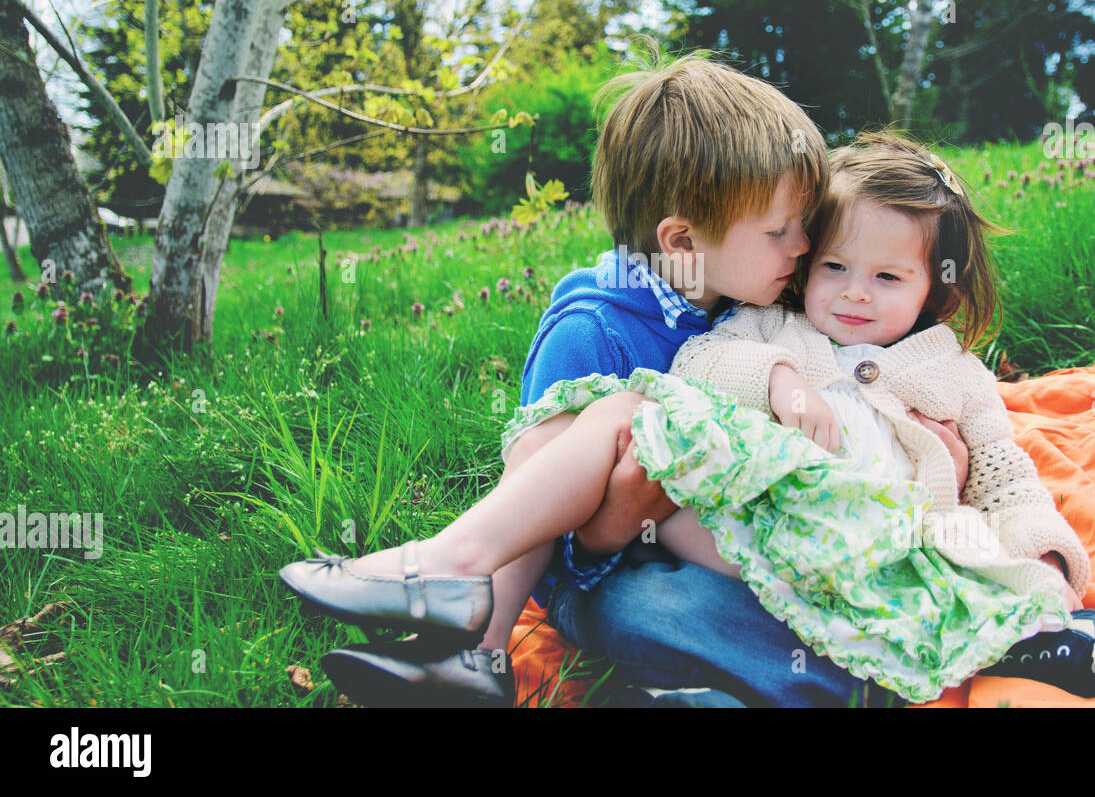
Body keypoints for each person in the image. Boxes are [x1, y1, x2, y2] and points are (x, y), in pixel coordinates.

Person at [278, 51, 880, 705]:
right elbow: (536, 527)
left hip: (750, 546)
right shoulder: (593, 332)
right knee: (652, 607)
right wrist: (613, 527)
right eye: (780, 230)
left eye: (805, 225)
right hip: (616, 573)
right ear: (680, 243)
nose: (802, 247)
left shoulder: (756, 304)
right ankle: (471, 648)